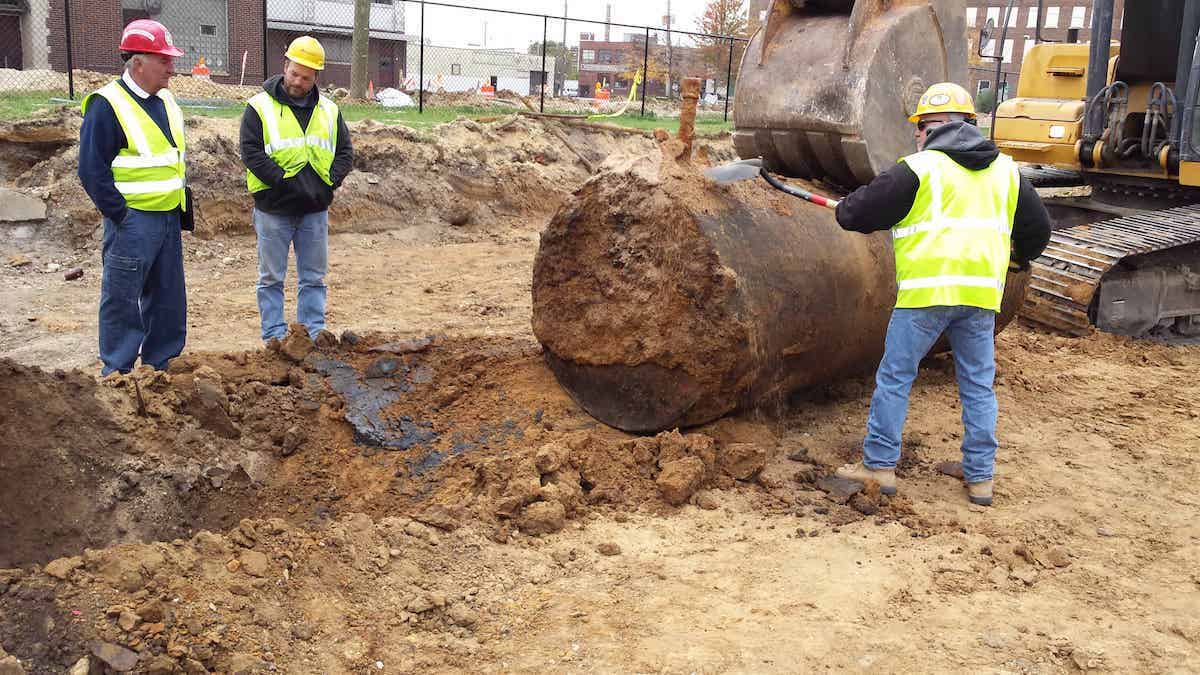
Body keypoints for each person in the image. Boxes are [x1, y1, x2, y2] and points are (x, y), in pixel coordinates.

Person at [832, 82, 1051, 506]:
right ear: (970, 123)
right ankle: (980, 478)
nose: (917, 135)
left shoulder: (919, 168)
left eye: (920, 127)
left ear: (932, 128)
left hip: (924, 297)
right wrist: (1019, 259)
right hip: (982, 299)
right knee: (977, 385)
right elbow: (1038, 229)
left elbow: (858, 212)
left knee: (896, 378)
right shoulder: (1006, 171)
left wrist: (844, 210)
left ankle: (879, 467)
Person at [78, 19, 190, 375]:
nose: (172, 68)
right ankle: (118, 372)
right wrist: (120, 215)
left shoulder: (166, 101)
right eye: (164, 60)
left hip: (168, 215)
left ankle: (161, 364)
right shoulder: (107, 104)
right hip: (133, 220)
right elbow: (91, 170)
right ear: (138, 62)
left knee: (168, 297)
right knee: (122, 298)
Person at [239, 35, 353, 345]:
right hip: (274, 208)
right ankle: (274, 338)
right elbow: (251, 153)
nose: (297, 81)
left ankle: (311, 335)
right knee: (271, 278)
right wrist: (283, 182)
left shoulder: (329, 110)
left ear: (316, 77)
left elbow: (344, 153)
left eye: (305, 77)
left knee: (313, 278)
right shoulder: (259, 107)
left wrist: (328, 182)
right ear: (285, 65)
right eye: (294, 73)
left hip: (314, 209)